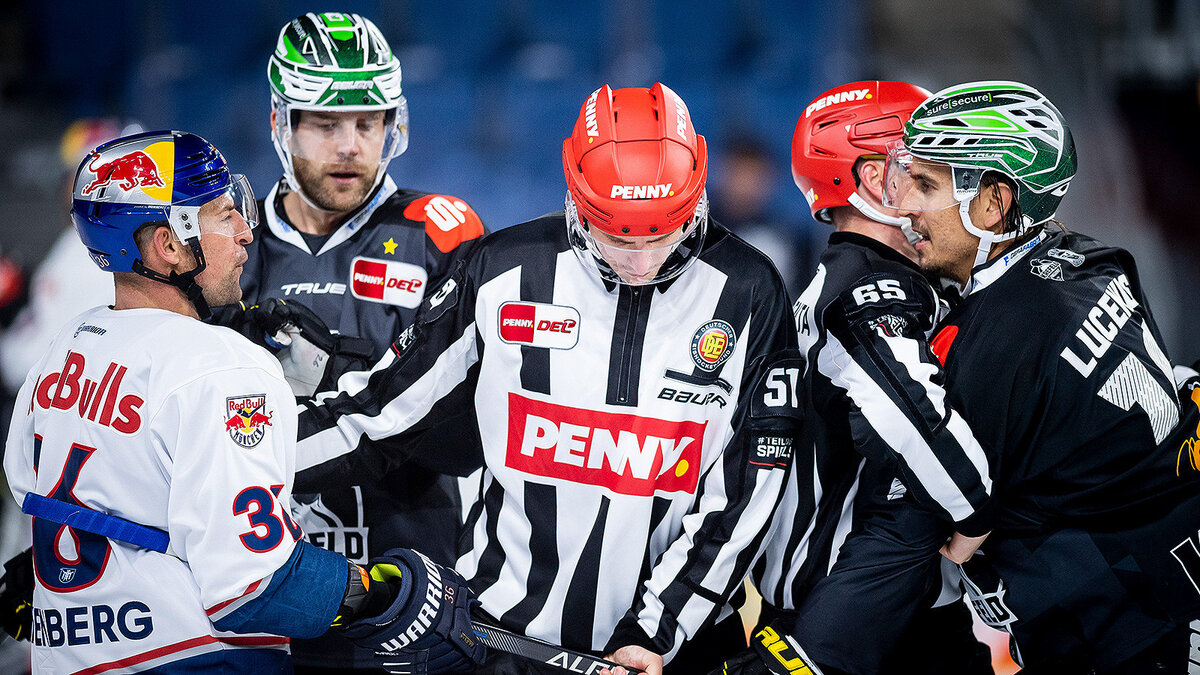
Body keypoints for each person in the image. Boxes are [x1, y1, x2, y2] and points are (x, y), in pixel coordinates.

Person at [290, 82, 803, 674]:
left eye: (663, 231)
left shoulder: (750, 288)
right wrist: (233, 458)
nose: (639, 259)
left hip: (667, 654)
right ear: (573, 187)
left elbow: (748, 490)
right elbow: (376, 416)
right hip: (497, 641)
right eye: (614, 233)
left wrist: (656, 633)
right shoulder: (500, 267)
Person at [2, 130, 483, 674]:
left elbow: (42, 492)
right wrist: (379, 593)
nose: (244, 234)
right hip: (189, 661)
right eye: (223, 215)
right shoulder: (223, 367)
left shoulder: (64, 350)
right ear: (169, 246)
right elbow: (252, 585)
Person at [879, 80, 1200, 673]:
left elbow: (946, 532)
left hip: (1127, 625)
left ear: (995, 201)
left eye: (927, 184)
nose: (905, 207)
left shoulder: (999, 341)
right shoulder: (1092, 259)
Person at [220, 12, 486, 673]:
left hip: (409, 591)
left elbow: (472, 430)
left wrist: (340, 365)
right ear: (282, 123)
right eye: (326, 123)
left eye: (367, 122)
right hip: (259, 585)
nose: (349, 145)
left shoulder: (443, 236)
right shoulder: (228, 243)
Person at [730, 81, 994, 675]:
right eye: (929, 170)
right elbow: (918, 423)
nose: (951, 187)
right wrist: (976, 510)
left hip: (841, 608)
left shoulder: (847, 279)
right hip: (857, 622)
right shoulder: (872, 290)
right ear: (878, 182)